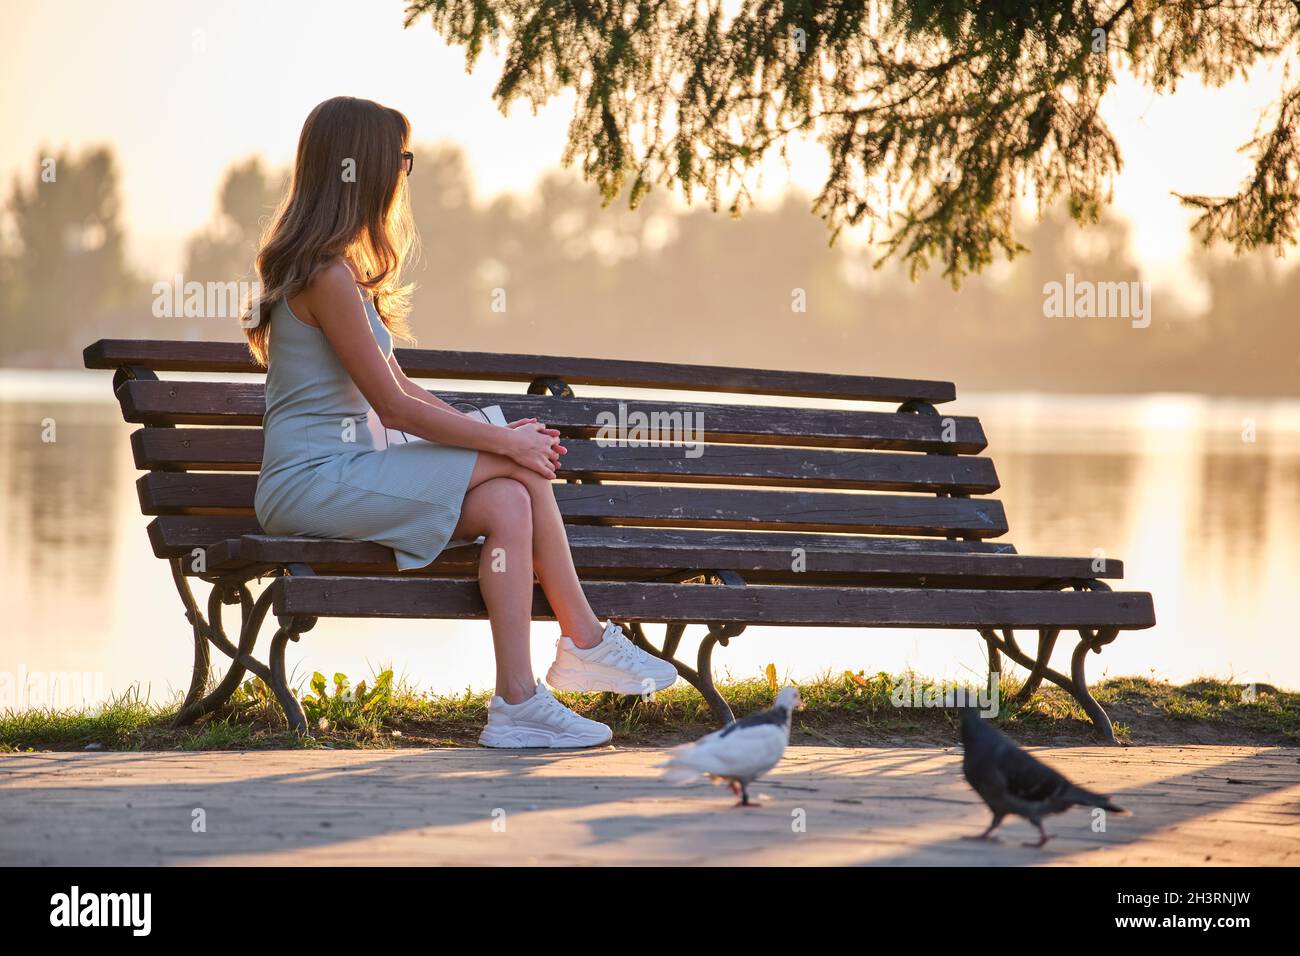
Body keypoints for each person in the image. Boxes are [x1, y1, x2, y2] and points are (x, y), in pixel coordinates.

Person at [243, 96, 676, 747]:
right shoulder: (326, 278)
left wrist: (500, 441)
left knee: (508, 498)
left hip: (349, 472)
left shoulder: (341, 277)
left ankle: (518, 702)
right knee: (517, 466)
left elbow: (402, 389)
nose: (404, 176)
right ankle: (584, 638)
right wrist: (506, 441)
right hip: (312, 481)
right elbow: (393, 410)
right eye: (401, 162)